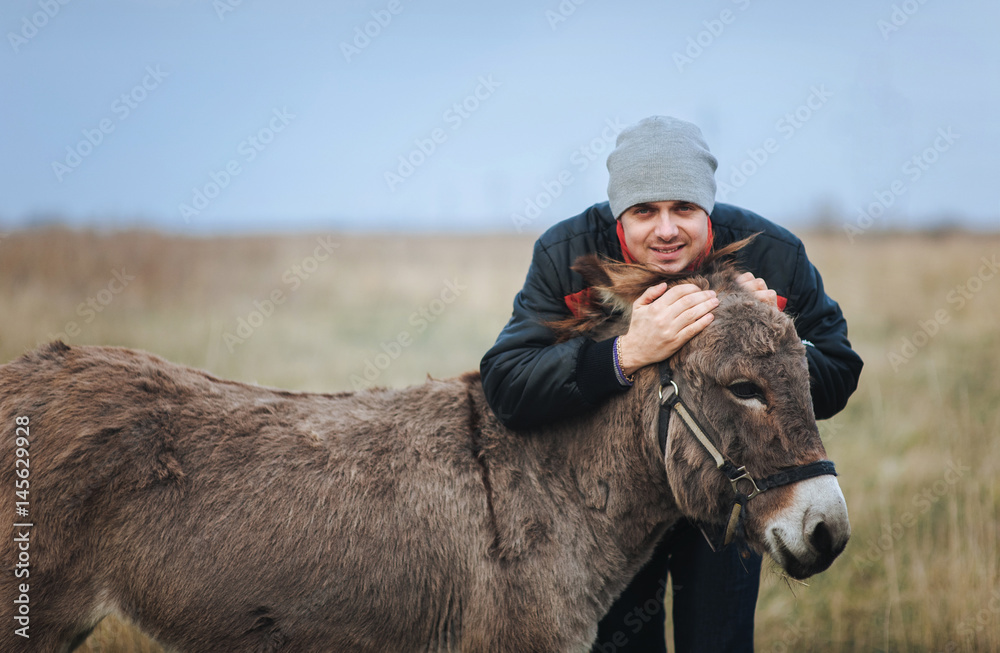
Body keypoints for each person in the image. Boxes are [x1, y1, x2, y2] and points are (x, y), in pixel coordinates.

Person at [480, 116, 863, 652]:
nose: (665, 229)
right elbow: (509, 386)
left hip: (730, 488)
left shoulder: (773, 253)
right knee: (622, 642)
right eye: (644, 211)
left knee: (719, 641)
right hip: (614, 499)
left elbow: (840, 367)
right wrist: (624, 353)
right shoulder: (564, 254)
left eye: (683, 208)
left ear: (707, 208)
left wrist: (770, 339)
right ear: (619, 215)